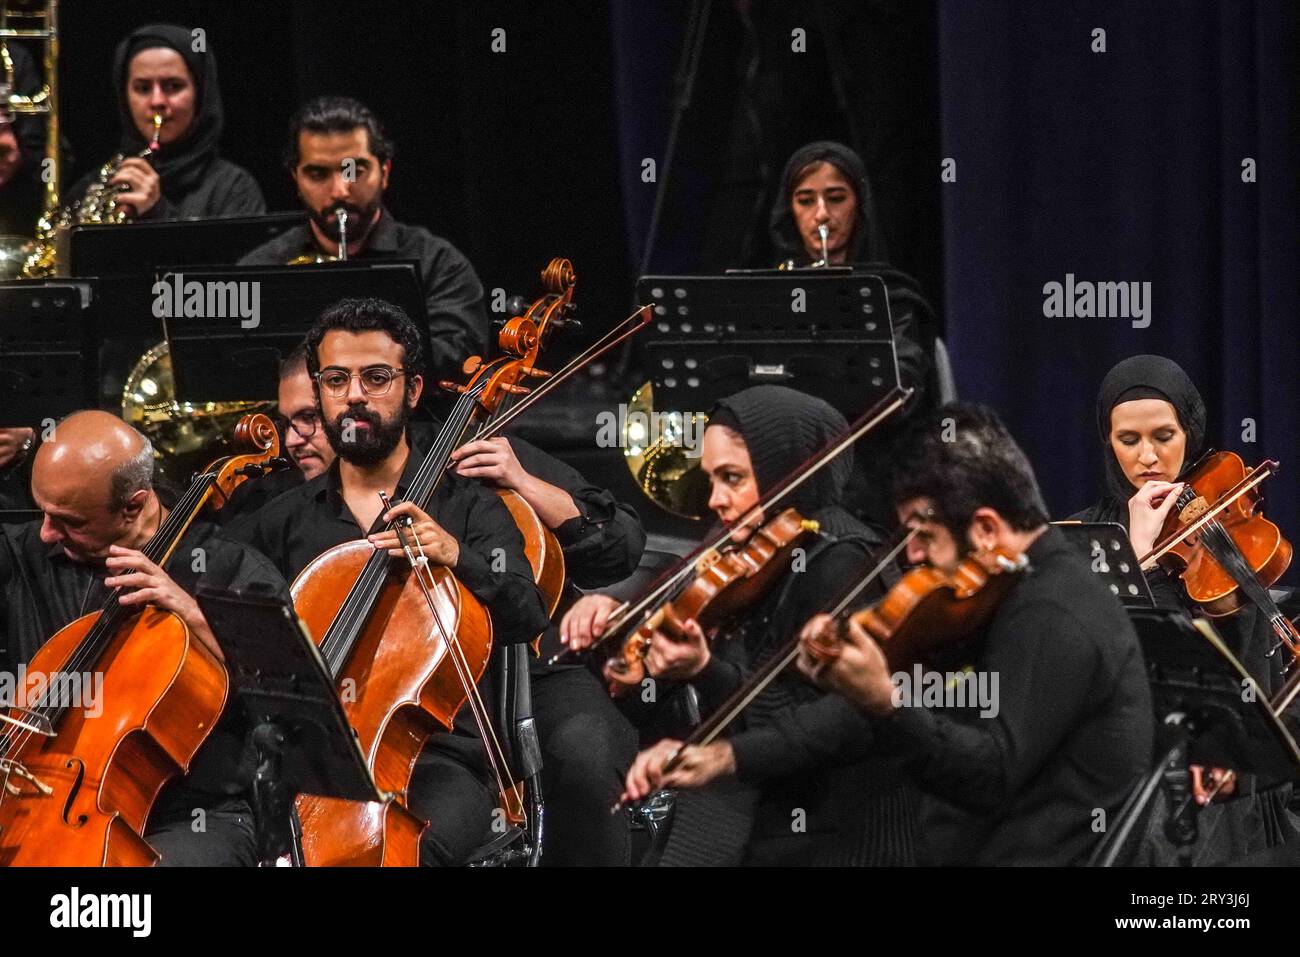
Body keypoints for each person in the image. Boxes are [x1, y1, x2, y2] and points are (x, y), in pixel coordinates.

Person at [224, 297, 549, 866]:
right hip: (306, 759)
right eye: (336, 379)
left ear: (414, 390)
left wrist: (455, 555)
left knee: (398, 854)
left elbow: (527, 612)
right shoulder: (283, 519)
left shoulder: (468, 507)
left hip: (438, 759)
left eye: (376, 378)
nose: (354, 395)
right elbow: (230, 619)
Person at [565, 385, 912, 865]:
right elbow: (660, 707)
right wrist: (615, 642)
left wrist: (703, 670)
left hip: (823, 825)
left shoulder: (840, 562)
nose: (716, 501)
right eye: (712, 480)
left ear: (787, 470)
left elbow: (814, 733)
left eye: (733, 478)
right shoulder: (739, 549)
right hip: (738, 800)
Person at [796, 403, 1154, 865]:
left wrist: (888, 703)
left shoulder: (1052, 608)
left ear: (985, 529)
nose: (913, 555)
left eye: (924, 535)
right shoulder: (1006, 591)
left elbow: (990, 776)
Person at [0, 411, 290, 865]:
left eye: (68, 520)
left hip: (190, 816)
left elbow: (288, 699)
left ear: (133, 505)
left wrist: (192, 614)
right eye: (43, 512)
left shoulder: (231, 572)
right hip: (33, 794)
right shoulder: (28, 556)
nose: (46, 532)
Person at [1073, 353, 1299, 864]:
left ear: (1190, 432)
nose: (1147, 456)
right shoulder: (1087, 535)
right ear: (1107, 442)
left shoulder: (1227, 533)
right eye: (1128, 440)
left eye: (1164, 436)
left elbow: (1246, 677)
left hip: (1215, 772)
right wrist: (1134, 556)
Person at [449, 431, 646, 866]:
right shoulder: (297, 496)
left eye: (376, 378)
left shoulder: (469, 448)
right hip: (408, 681)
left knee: (584, 750)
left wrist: (523, 480)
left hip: (531, 664)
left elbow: (620, 545)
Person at [239, 96, 488, 386]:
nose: (340, 191)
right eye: (318, 174)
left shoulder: (439, 264)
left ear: (384, 172)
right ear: (295, 178)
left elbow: (461, 360)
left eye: (353, 170)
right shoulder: (260, 268)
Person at [768, 140, 935, 521]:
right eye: (805, 200)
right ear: (788, 211)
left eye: (836, 198)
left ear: (860, 205)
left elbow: (901, 389)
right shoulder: (767, 296)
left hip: (873, 472)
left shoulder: (894, 295)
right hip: (783, 474)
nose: (822, 215)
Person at [67, 23, 265, 221]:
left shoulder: (234, 188)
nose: (157, 101)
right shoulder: (92, 187)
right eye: (143, 88)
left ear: (201, 94)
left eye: (173, 86)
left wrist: (157, 211)